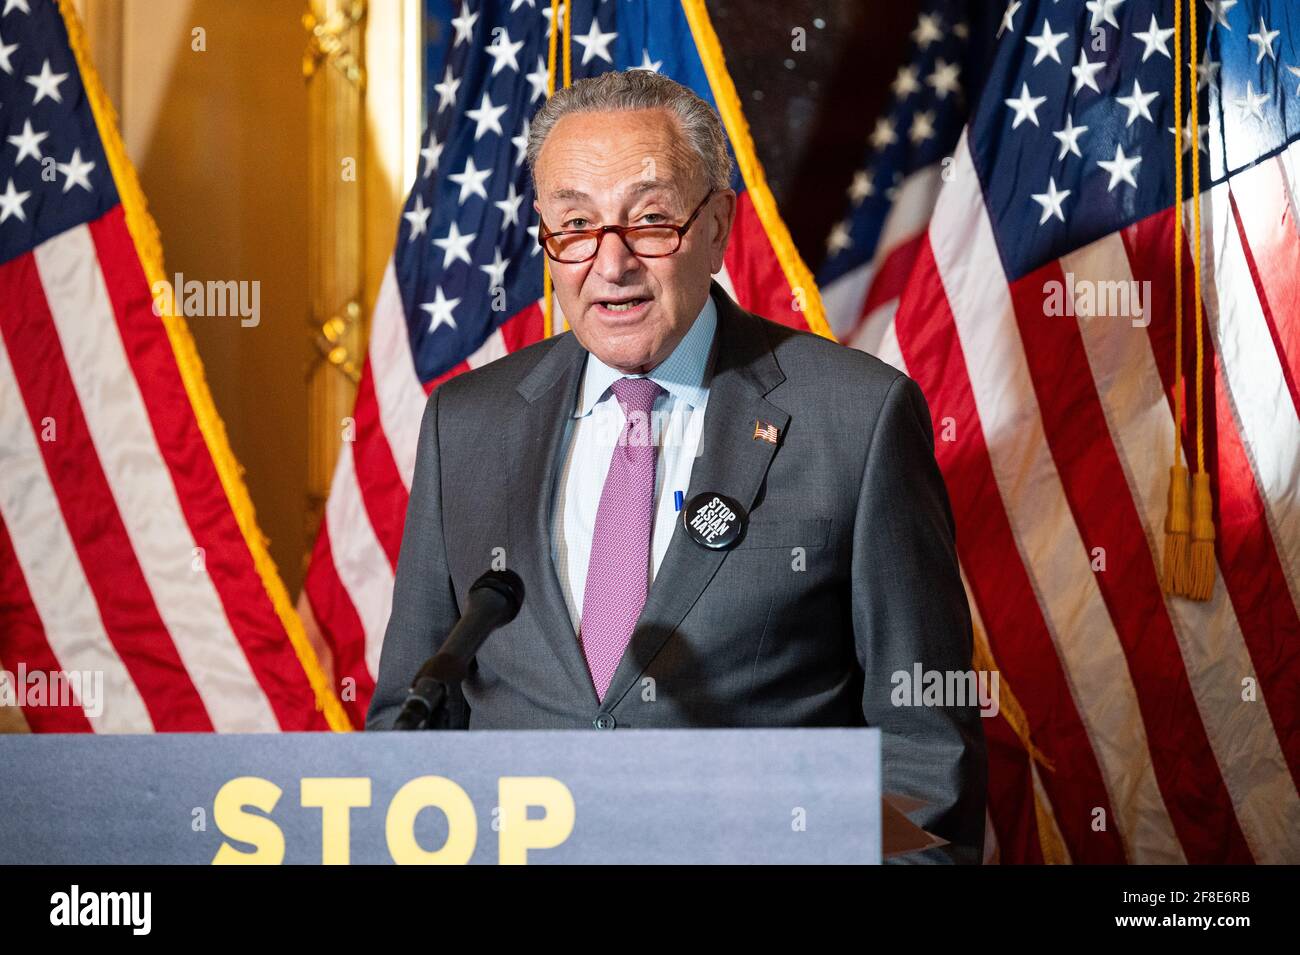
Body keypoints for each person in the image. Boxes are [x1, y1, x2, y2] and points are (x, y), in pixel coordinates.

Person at [368, 69, 987, 863]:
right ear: (545, 240)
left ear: (718, 223)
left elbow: (924, 756)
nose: (612, 262)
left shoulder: (857, 419)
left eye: (652, 220)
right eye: (576, 226)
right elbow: (411, 722)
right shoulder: (467, 424)